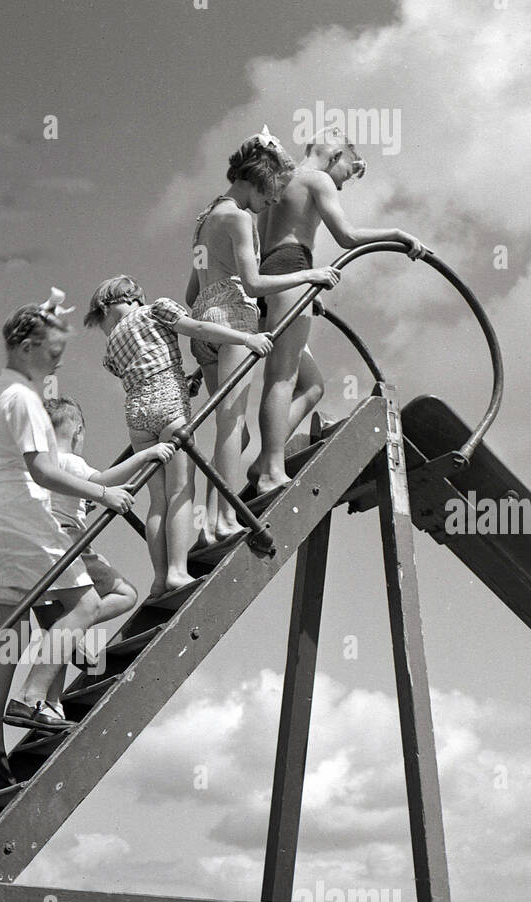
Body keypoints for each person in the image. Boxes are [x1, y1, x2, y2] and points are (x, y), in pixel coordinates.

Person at [0, 293, 135, 785]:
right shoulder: (24, 401)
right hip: (23, 518)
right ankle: (33, 698)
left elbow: (47, 403)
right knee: (87, 606)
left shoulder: (7, 391)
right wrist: (102, 493)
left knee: (13, 631)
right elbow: (44, 470)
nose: (58, 358)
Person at [185, 127, 340, 541]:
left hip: (204, 325)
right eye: (268, 196)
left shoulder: (206, 219)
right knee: (232, 426)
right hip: (233, 320)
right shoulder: (238, 217)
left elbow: (191, 292)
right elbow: (252, 284)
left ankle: (208, 526)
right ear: (256, 179)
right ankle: (220, 521)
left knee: (233, 430)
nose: (269, 205)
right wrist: (310, 274)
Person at [250, 125, 423, 494]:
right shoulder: (316, 180)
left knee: (311, 386)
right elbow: (346, 235)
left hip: (271, 276)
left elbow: (272, 241)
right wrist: (396, 233)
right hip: (292, 270)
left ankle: (267, 459)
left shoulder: (277, 181)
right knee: (281, 377)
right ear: (334, 156)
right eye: (345, 174)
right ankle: (270, 472)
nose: (342, 185)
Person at [84, 277, 269, 594]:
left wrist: (187, 384)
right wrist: (244, 339)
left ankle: (158, 579)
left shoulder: (111, 346)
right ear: (132, 297)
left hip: (137, 420)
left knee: (157, 501)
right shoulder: (156, 309)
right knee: (180, 491)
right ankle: (177, 571)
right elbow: (197, 329)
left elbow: (145, 372)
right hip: (169, 408)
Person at [42, 397, 171, 711]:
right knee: (125, 593)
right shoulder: (70, 461)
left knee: (64, 625)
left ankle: (50, 703)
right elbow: (102, 480)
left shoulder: (42, 466)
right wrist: (146, 454)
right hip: (70, 543)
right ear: (78, 432)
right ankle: (73, 629)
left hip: (43, 548)